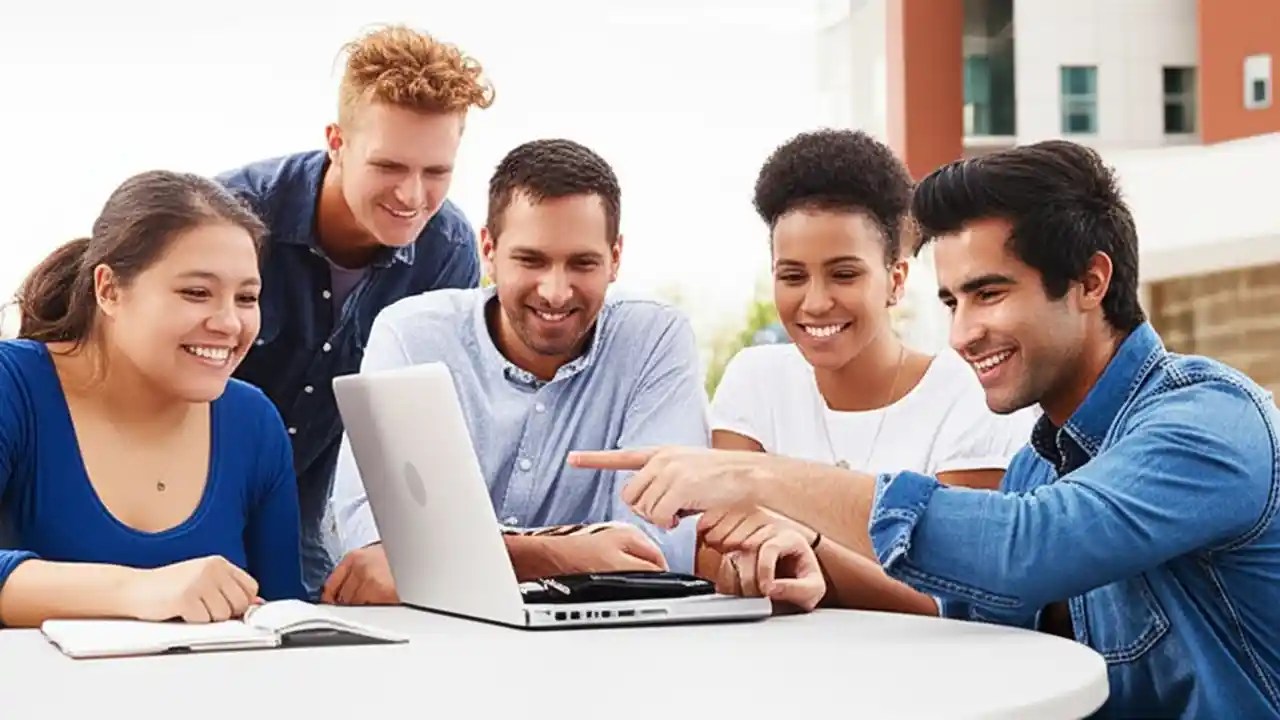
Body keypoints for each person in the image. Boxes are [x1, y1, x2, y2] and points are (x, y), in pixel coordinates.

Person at [572, 140, 1280, 718]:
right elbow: (968, 609)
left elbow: (1031, 547)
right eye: (952, 301)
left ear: (1092, 281)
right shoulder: (1043, 462)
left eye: (990, 293)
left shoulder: (1206, 423)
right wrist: (810, 550)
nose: (965, 333)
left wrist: (757, 478)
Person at [323, 138, 710, 606]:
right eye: (531, 260)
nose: (555, 291)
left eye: (582, 263)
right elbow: (370, 534)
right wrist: (559, 553)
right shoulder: (411, 335)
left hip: (597, 642)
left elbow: (652, 554)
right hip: (440, 633)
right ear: (489, 250)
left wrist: (452, 553)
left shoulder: (655, 339)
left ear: (615, 259)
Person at [215, 25, 494, 597]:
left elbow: (418, 426)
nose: (413, 195)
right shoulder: (233, 216)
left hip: (304, 517)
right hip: (189, 497)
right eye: (389, 166)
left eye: (436, 172)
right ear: (336, 142)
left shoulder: (450, 253)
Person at [0, 170, 307, 628]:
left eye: (247, 297)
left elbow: (286, 618)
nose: (229, 322)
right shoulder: (14, 383)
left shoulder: (255, 422)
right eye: (196, 293)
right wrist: (140, 589)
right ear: (108, 290)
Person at [712, 129, 1033, 485]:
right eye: (792, 277)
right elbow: (720, 535)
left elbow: (955, 538)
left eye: (844, 274)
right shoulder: (755, 380)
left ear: (895, 280)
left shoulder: (971, 393)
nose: (816, 303)